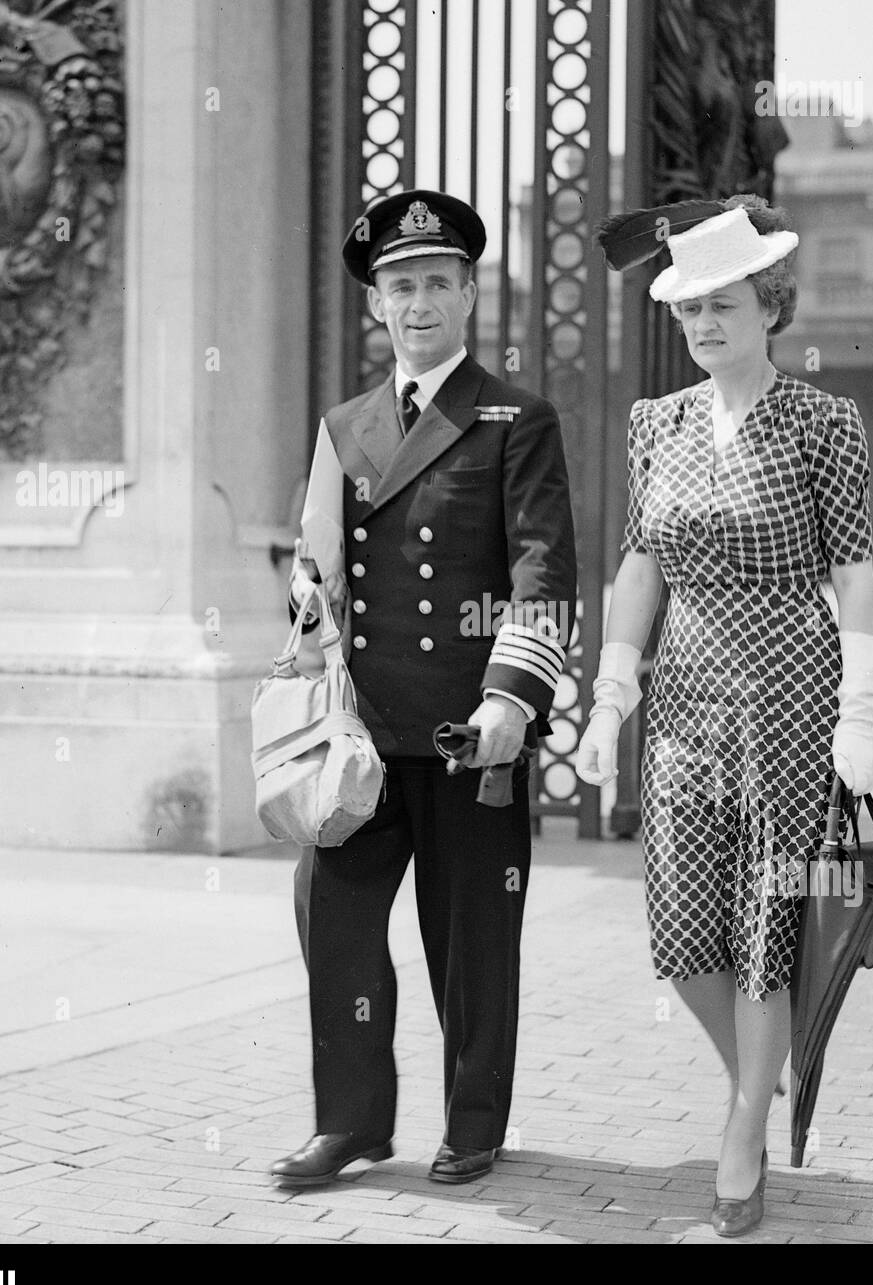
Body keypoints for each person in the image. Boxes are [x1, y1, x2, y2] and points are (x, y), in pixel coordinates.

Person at [577, 196, 873, 1237]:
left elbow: (851, 572)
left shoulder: (822, 421)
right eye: (687, 311)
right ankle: (764, 1075)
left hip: (793, 689)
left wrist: (859, 706)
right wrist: (611, 687)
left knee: (765, 919)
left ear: (769, 308)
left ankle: (743, 1122)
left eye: (722, 305)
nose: (703, 325)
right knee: (680, 928)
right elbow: (639, 561)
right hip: (686, 692)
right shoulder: (653, 422)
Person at [271, 190, 577, 1189]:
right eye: (399, 286)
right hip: (362, 734)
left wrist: (510, 699)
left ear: (469, 294)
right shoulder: (344, 426)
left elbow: (543, 569)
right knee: (334, 917)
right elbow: (313, 559)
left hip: (467, 728)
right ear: (376, 304)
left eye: (437, 283)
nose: (418, 303)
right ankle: (352, 1120)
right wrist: (305, 599)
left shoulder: (513, 420)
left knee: (472, 937)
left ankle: (473, 1119)